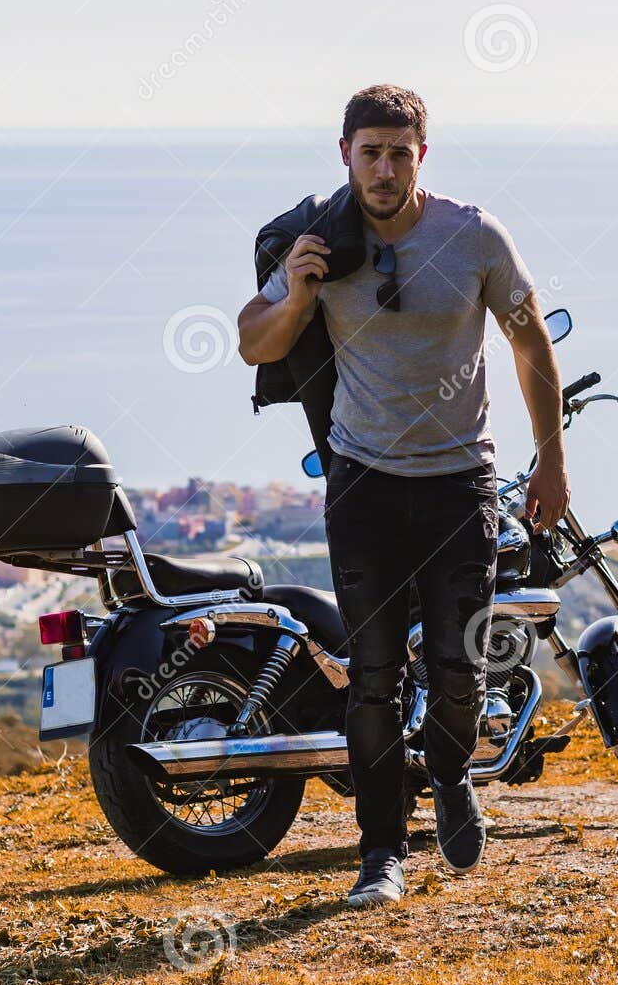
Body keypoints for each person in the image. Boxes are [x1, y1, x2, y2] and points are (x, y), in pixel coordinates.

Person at [237, 84, 570, 906]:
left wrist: (553, 461)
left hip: (461, 483)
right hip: (364, 486)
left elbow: (530, 341)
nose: (383, 168)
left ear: (424, 154)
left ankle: (452, 772)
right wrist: (303, 292)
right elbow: (252, 341)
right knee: (375, 676)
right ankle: (380, 851)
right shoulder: (320, 240)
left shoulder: (474, 235)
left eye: (398, 151)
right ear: (343, 154)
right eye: (368, 152)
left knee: (459, 670)